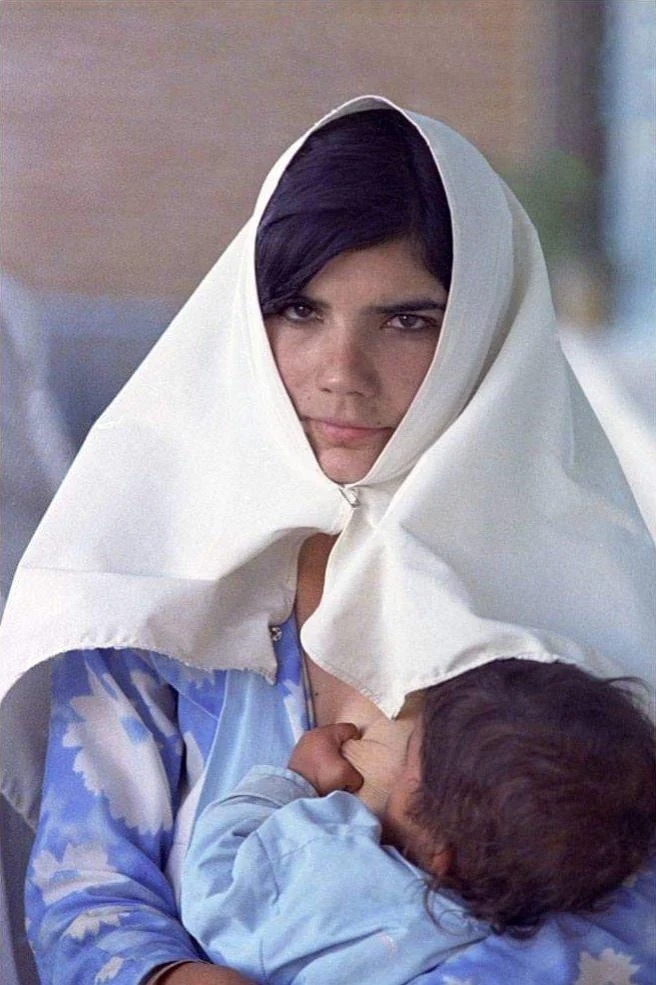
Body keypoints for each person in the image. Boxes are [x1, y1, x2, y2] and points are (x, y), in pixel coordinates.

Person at [0, 97, 654, 985]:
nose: (341, 373)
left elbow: (629, 910)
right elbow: (90, 900)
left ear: (484, 332)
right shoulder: (158, 584)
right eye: (300, 309)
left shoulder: (580, 594)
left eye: (407, 320)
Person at [179, 660, 656, 984]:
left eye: (409, 757)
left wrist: (293, 780)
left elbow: (215, 892)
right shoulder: (606, 924)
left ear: (441, 855)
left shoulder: (327, 867)